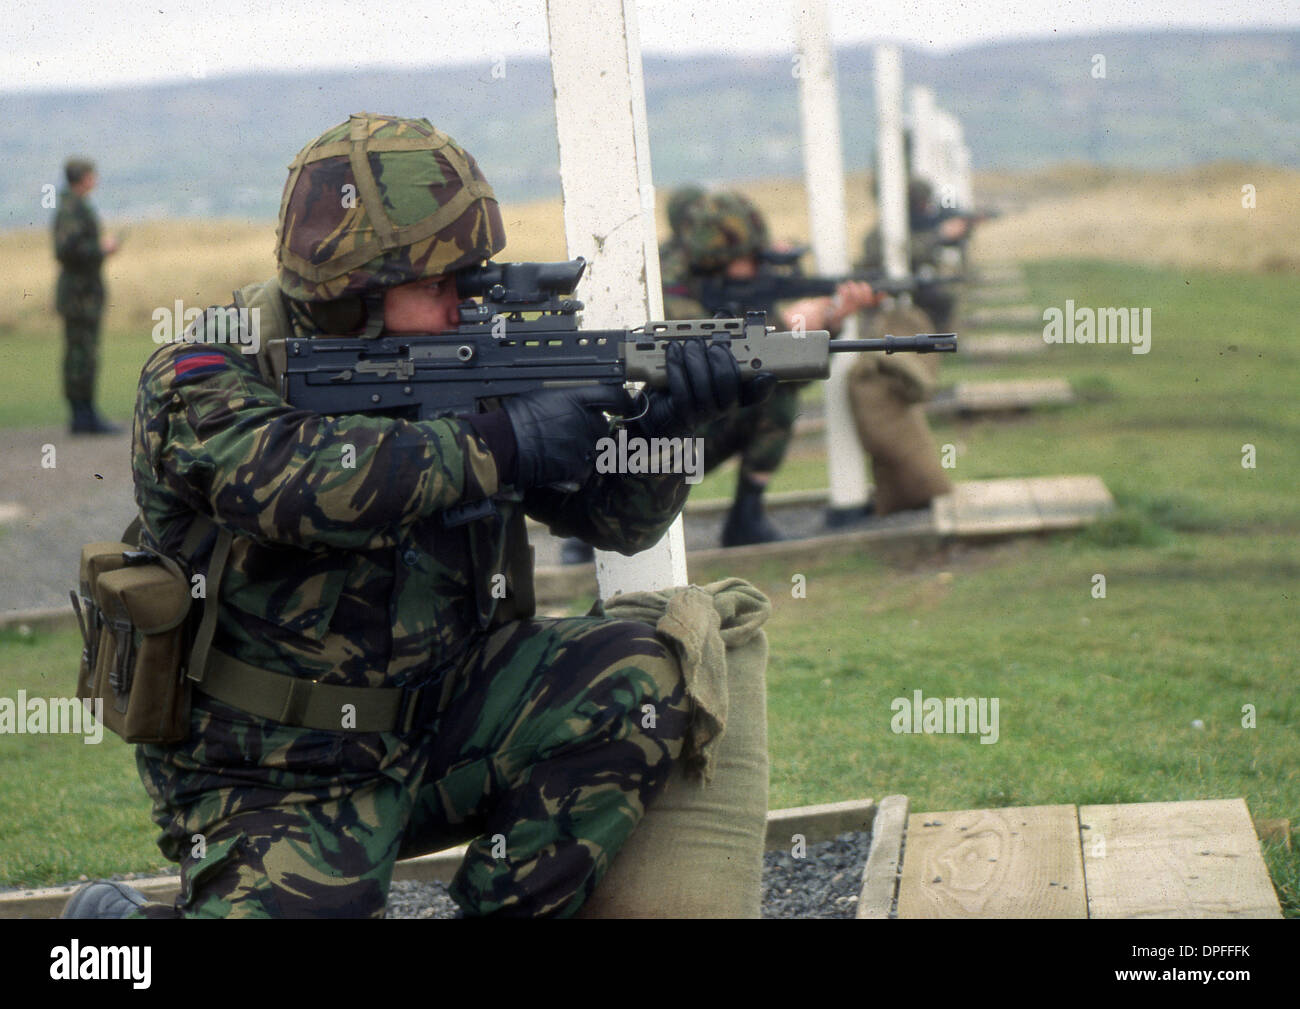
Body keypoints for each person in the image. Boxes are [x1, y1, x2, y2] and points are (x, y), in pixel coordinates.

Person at [62, 113, 760, 919]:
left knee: (637, 674)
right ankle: (113, 927)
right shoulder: (206, 373)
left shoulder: (470, 362)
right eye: (436, 283)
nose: (464, 302)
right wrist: (507, 440)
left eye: (471, 275)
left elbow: (615, 521)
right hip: (270, 770)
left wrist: (672, 429)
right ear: (349, 291)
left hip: (441, 726)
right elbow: (295, 486)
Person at [663, 189, 876, 545]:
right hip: (643, 447)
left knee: (774, 394)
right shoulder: (670, 286)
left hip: (680, 434)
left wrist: (830, 323)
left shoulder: (711, 278)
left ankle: (746, 518)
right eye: (749, 258)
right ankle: (595, 530)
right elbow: (712, 352)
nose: (757, 267)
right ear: (716, 258)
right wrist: (783, 325)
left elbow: (789, 380)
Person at [53, 157, 121, 435]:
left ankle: (85, 412)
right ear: (83, 177)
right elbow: (66, 249)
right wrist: (101, 249)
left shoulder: (75, 207)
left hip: (84, 292)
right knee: (81, 353)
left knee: (84, 352)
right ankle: (82, 414)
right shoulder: (72, 209)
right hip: (79, 294)